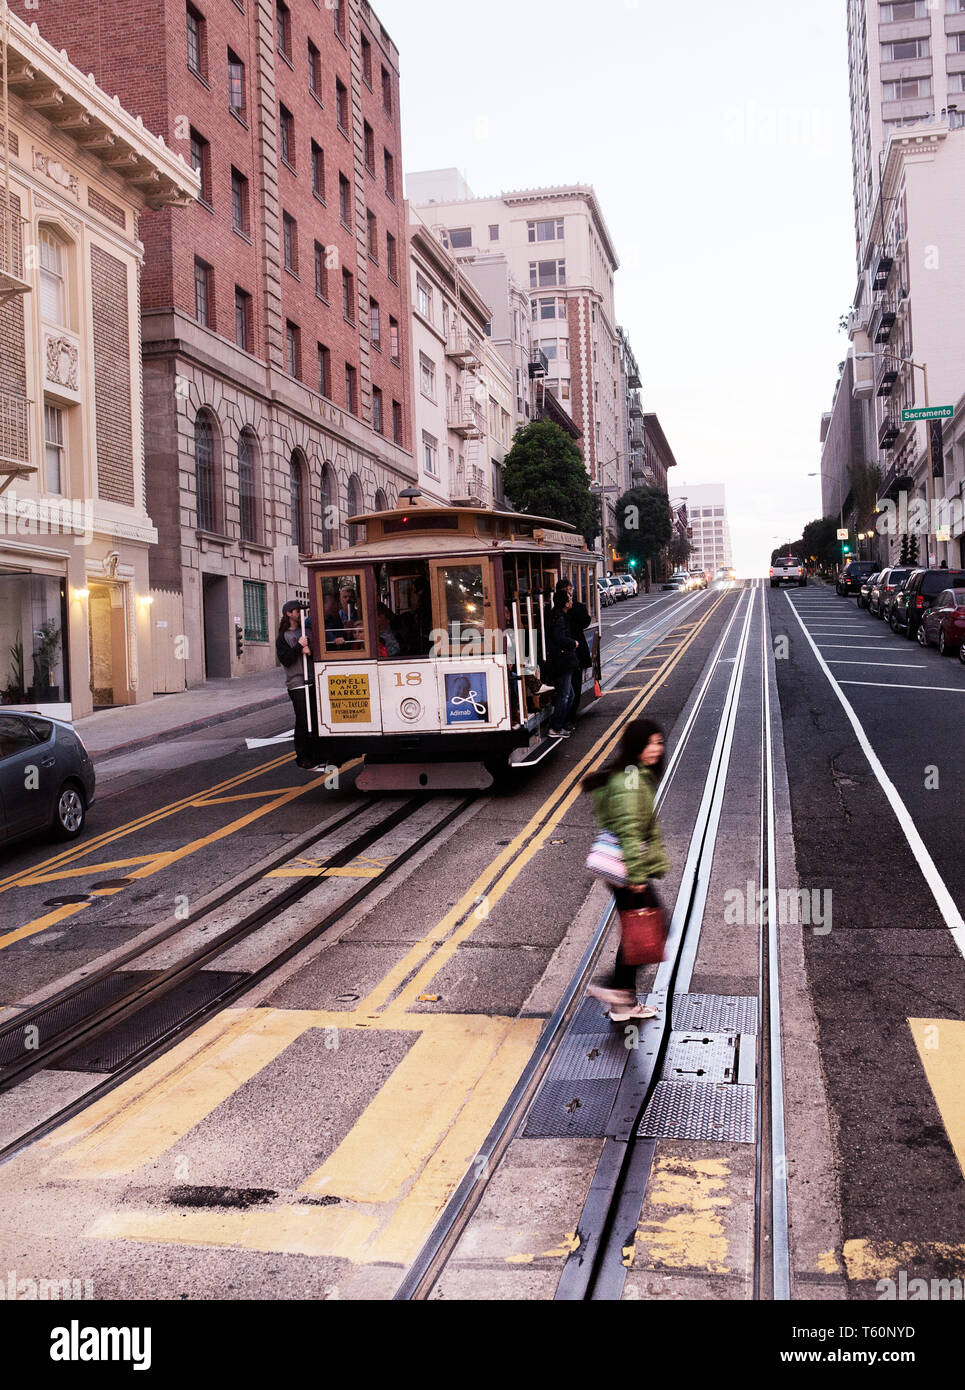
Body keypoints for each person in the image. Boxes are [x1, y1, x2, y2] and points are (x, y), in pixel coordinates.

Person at [584, 720, 670, 1022]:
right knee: (655, 928)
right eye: (650, 743)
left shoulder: (632, 776)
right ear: (636, 746)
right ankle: (616, 990)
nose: (657, 749)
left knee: (639, 931)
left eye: (659, 742)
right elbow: (631, 831)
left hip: (621, 869)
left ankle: (623, 1003)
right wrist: (636, 878)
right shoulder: (631, 781)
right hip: (626, 871)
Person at [276, 600, 316, 769]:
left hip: (312, 679)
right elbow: (286, 660)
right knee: (302, 720)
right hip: (297, 682)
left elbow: (316, 652)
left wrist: (309, 650)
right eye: (296, 611)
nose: (299, 613)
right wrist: (299, 647)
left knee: (314, 718)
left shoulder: (307, 632)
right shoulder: (283, 637)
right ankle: (302, 756)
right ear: (288, 614)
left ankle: (316, 753)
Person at [555, 579, 592, 724]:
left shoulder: (560, 610)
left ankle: (567, 718)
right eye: (569, 589)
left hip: (569, 654)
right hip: (570, 654)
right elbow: (585, 621)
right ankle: (566, 719)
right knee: (570, 689)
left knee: (570, 689)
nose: (571, 592)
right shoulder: (565, 611)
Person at [547, 593, 579, 738]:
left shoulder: (559, 616)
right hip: (562, 661)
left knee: (569, 695)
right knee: (564, 695)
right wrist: (573, 643)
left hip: (563, 661)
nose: (572, 601)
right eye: (570, 599)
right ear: (566, 603)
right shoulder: (559, 618)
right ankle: (555, 728)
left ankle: (558, 724)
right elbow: (559, 638)